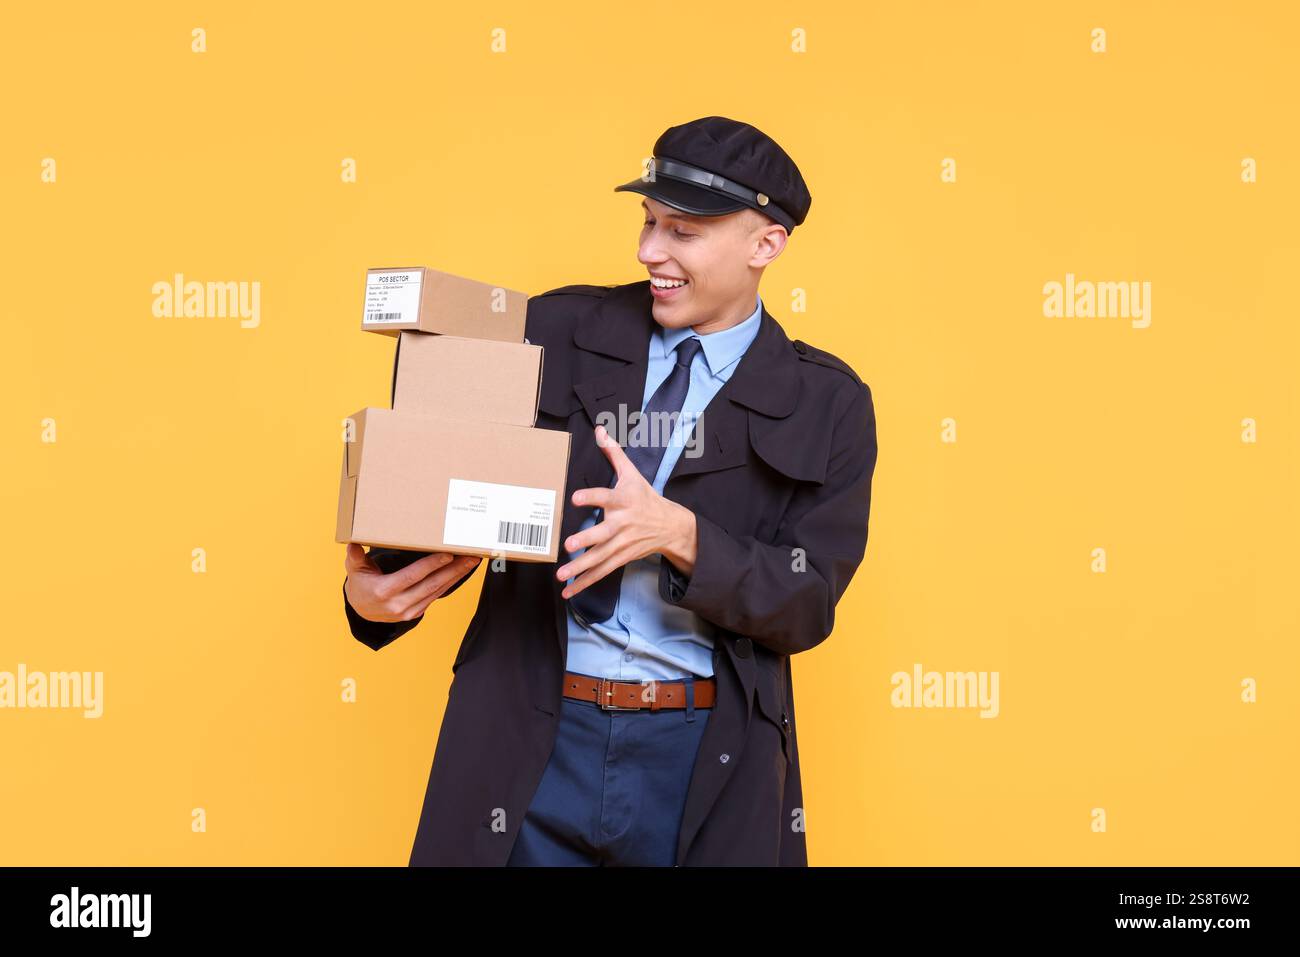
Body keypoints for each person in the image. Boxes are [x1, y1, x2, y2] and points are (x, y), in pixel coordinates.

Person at [343, 115, 878, 866]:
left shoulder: (829, 402)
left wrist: (679, 534)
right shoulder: (552, 328)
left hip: (698, 759)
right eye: (648, 222)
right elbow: (440, 481)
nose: (648, 252)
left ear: (766, 244)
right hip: (531, 739)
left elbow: (806, 601)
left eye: (682, 233)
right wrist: (371, 597)